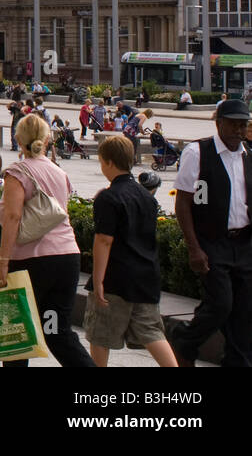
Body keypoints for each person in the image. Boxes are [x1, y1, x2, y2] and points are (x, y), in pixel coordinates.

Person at [0, 115, 95, 367]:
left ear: (18, 139)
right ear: (47, 139)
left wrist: (3, 261)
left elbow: (13, 216)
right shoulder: (59, 172)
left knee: (16, 333)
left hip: (32, 261)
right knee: (56, 330)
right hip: (66, 257)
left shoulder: (17, 172)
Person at [168, 98, 252, 367]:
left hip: (245, 244)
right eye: (233, 125)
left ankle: (237, 362)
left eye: (243, 125)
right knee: (221, 305)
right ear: (219, 124)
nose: (239, 131)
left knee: (243, 312)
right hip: (213, 243)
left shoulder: (248, 154)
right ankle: (184, 340)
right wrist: (194, 248)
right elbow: (183, 202)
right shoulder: (198, 152)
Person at [84, 134, 176, 367]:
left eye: (101, 161)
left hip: (116, 277)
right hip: (146, 276)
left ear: (109, 163)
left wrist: (98, 280)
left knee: (101, 334)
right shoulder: (147, 197)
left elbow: (104, 241)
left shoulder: (108, 197)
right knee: (152, 332)